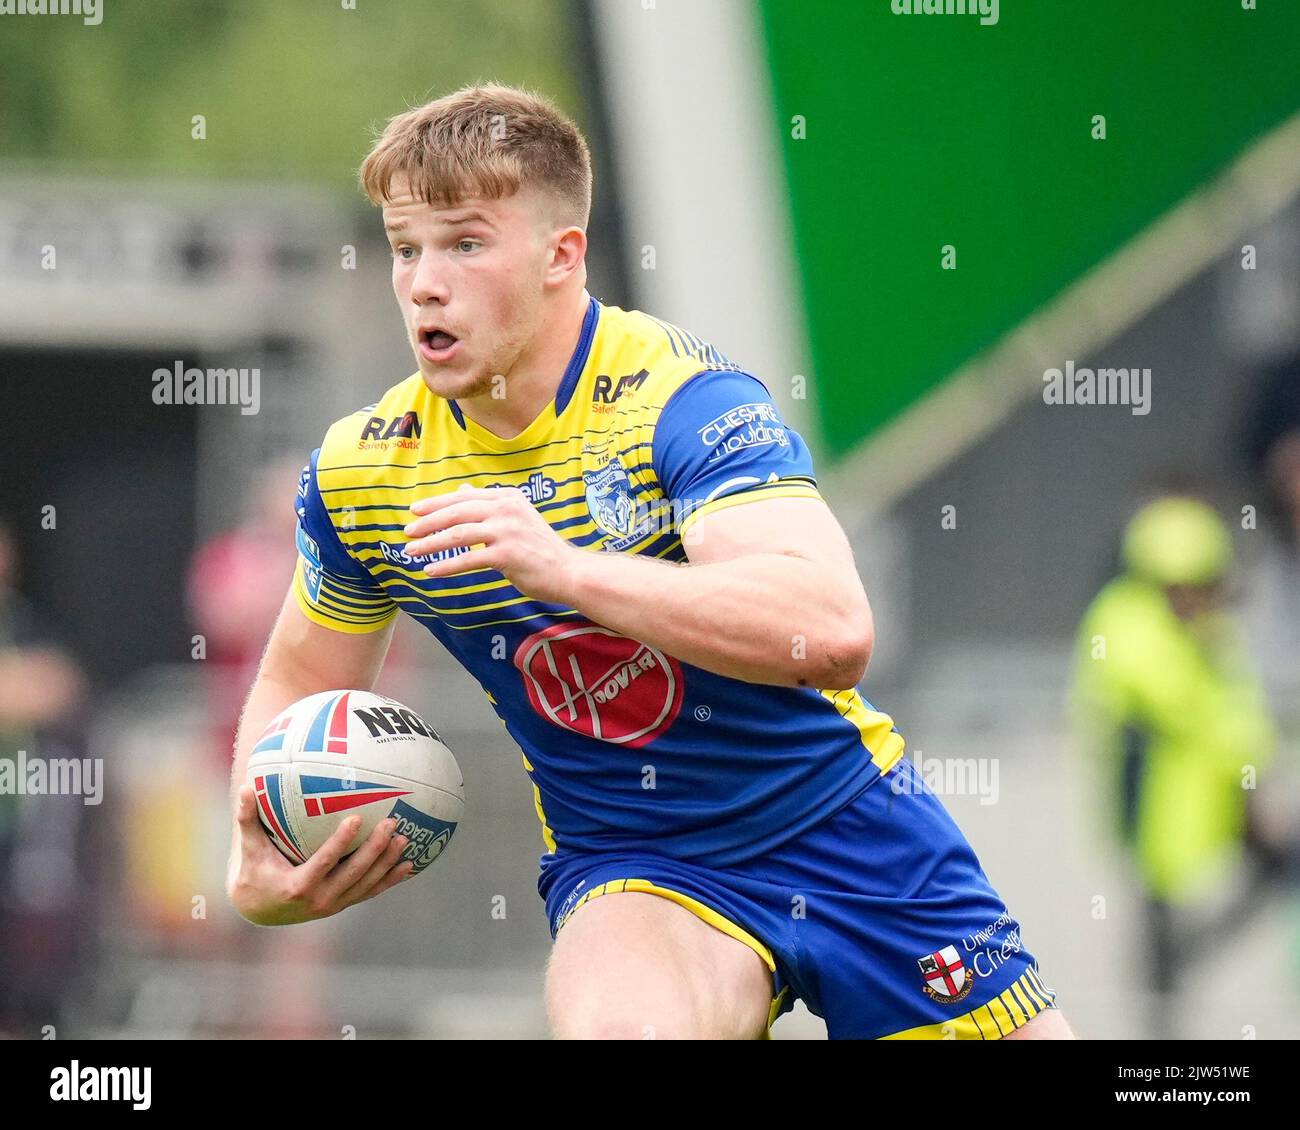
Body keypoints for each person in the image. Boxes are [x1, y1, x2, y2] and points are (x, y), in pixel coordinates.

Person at [225, 83, 1071, 1040]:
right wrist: (258, 844)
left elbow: (830, 629)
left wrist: (570, 571)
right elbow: (301, 673)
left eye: (465, 243)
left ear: (562, 255)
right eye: (405, 248)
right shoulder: (365, 469)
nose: (424, 280)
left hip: (848, 828)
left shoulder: (678, 402)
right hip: (639, 858)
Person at [1072, 495, 1281, 1037]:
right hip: (1150, 793)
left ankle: (1181, 965)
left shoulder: (1210, 629)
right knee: (1155, 911)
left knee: (1276, 867)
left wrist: (1251, 766)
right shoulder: (1125, 617)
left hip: (1214, 788)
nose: (1199, 597)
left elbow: (1239, 704)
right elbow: (1164, 697)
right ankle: (1161, 1035)